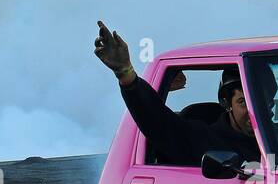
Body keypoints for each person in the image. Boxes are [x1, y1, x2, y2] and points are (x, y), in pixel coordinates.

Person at [92, 21, 259, 165]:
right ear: (226, 103)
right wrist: (125, 73)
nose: (254, 112)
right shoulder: (203, 140)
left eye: (261, 102)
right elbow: (157, 121)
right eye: (243, 102)